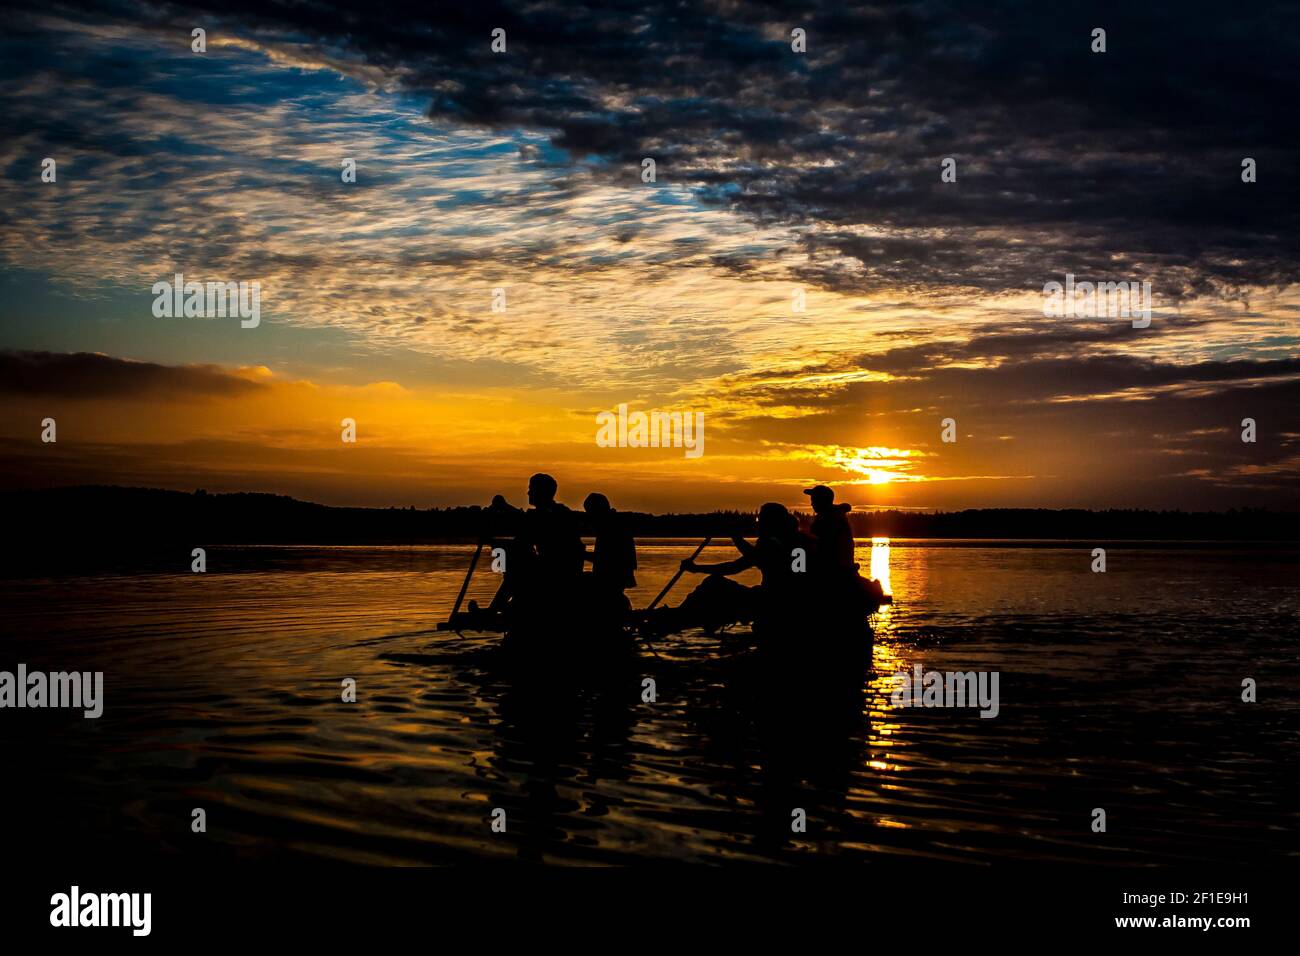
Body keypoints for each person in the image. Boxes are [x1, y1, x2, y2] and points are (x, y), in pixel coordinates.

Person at [582, 492, 638, 621]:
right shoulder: (612, 524)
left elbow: (606, 560)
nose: (589, 517)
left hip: (614, 578)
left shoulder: (611, 528)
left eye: (590, 512)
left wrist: (581, 554)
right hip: (616, 577)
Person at [803, 485, 857, 575]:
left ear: (822, 501)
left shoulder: (830, 519)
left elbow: (823, 545)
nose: (812, 503)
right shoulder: (832, 515)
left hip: (834, 570)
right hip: (839, 567)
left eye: (814, 500)